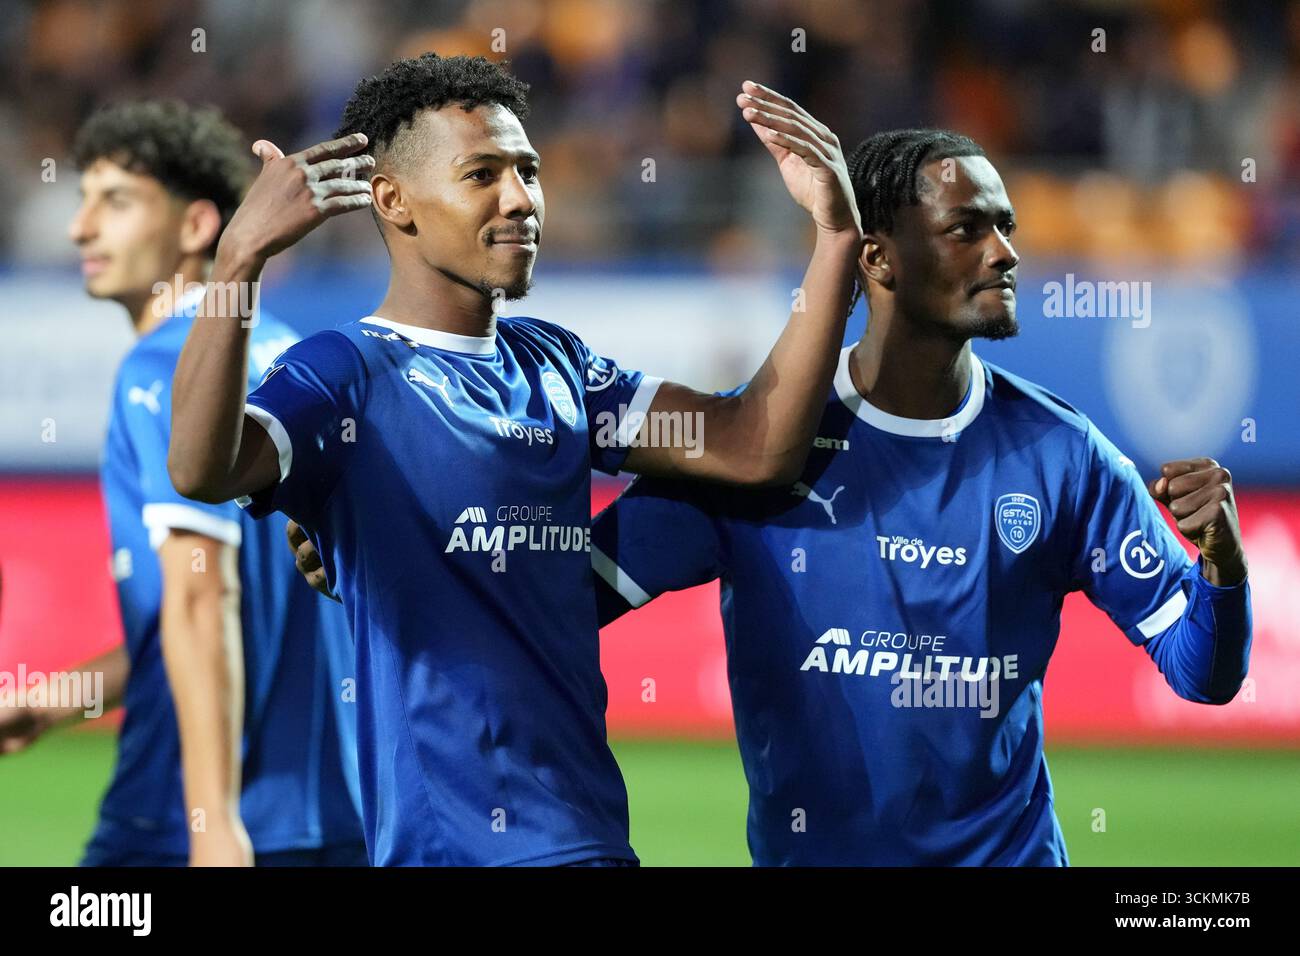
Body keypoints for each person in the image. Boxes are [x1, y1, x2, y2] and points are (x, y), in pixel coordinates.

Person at [165, 54, 863, 866]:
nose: (522, 200)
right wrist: (238, 262)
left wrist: (836, 239)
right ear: (393, 201)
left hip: (588, 839)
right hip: (448, 849)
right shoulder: (344, 375)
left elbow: (751, 447)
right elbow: (200, 469)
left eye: (528, 170)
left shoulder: (557, 368)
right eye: (481, 173)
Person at [587, 129, 1253, 866]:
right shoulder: (757, 453)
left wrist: (1223, 565)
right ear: (876, 258)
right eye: (967, 229)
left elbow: (1204, 674)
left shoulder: (1062, 454)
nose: (1005, 252)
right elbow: (553, 608)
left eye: (1006, 226)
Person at [0, 100, 366, 867]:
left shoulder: (161, 370)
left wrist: (212, 827)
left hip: (182, 819)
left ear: (199, 226)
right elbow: (222, 615)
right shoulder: (294, 354)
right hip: (330, 816)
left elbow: (204, 600)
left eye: (117, 201)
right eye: (83, 200)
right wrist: (56, 702)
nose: (81, 228)